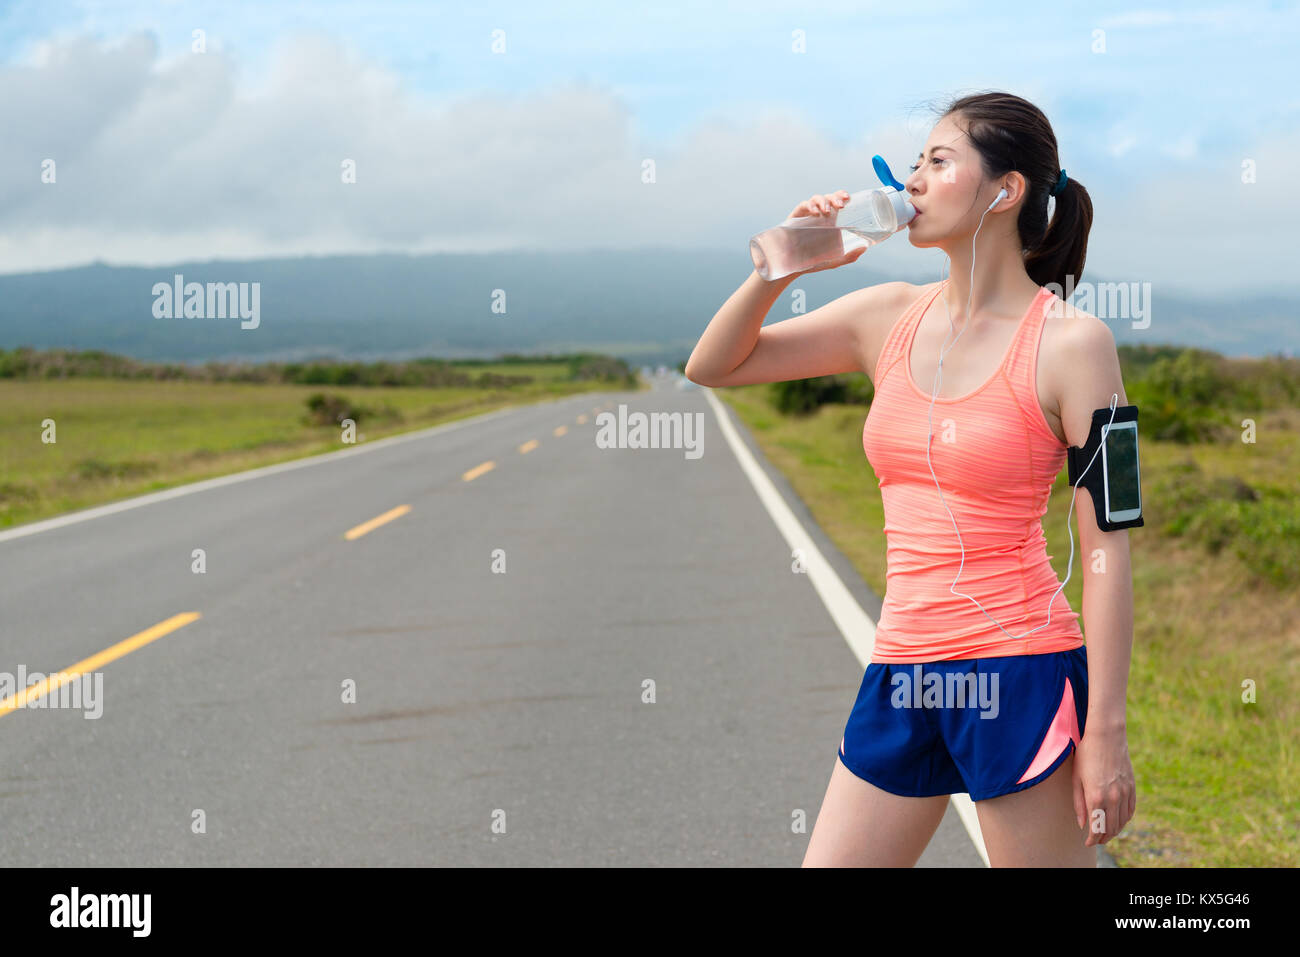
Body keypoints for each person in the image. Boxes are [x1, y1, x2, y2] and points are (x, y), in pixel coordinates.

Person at [684, 91, 1137, 867]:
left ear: (1006, 190)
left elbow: (1109, 550)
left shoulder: (1074, 344)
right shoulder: (885, 315)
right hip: (904, 668)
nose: (913, 180)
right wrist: (781, 265)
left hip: (1019, 672)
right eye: (915, 161)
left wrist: (1106, 732)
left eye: (938, 160)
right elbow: (714, 365)